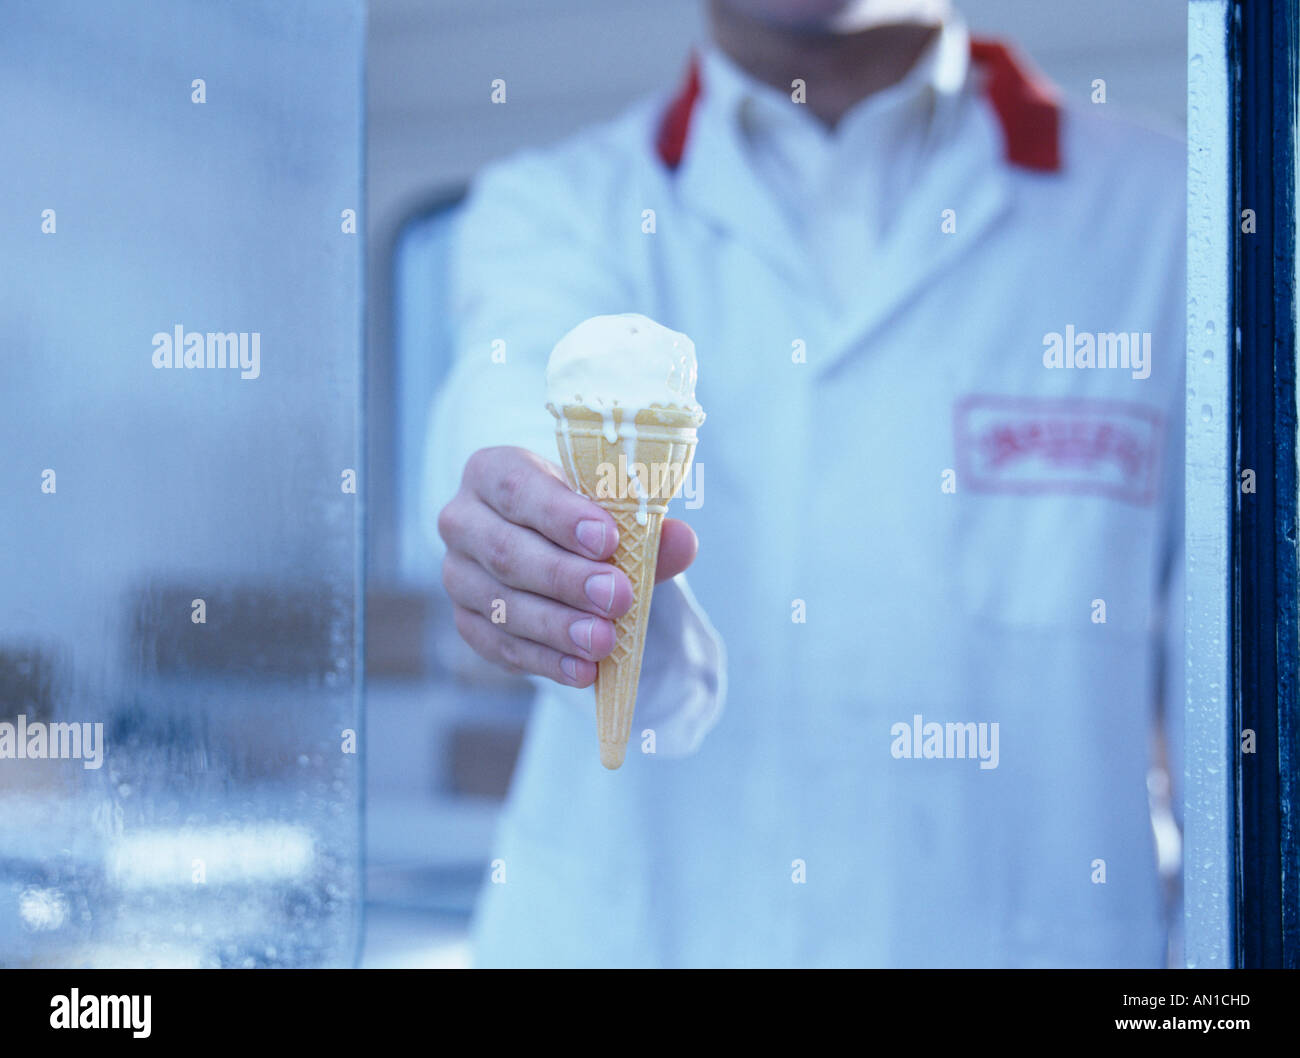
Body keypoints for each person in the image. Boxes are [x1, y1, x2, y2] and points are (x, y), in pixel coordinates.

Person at [428, 0, 1185, 967]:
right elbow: (510, 410)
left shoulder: (1172, 214)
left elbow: (1245, 722)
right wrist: (524, 538)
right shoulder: (554, 208)